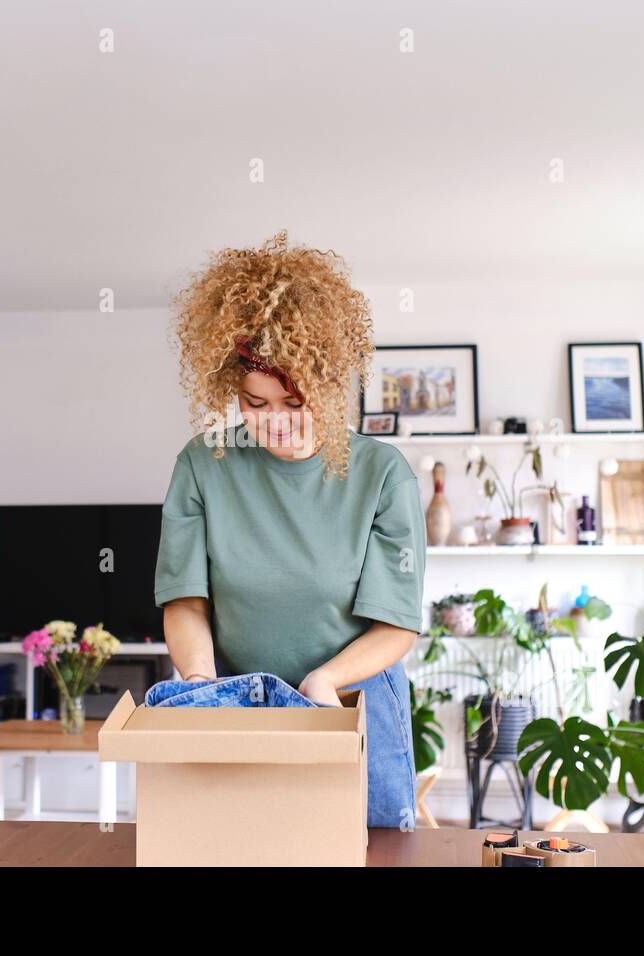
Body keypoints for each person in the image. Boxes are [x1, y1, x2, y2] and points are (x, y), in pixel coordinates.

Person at [153, 231, 427, 828]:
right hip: (237, 706)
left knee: (369, 851)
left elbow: (396, 623)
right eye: (255, 405)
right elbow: (186, 601)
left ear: (329, 390)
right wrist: (201, 686)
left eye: (294, 402)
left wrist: (323, 680)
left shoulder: (382, 476)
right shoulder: (203, 464)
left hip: (353, 703)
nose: (273, 424)